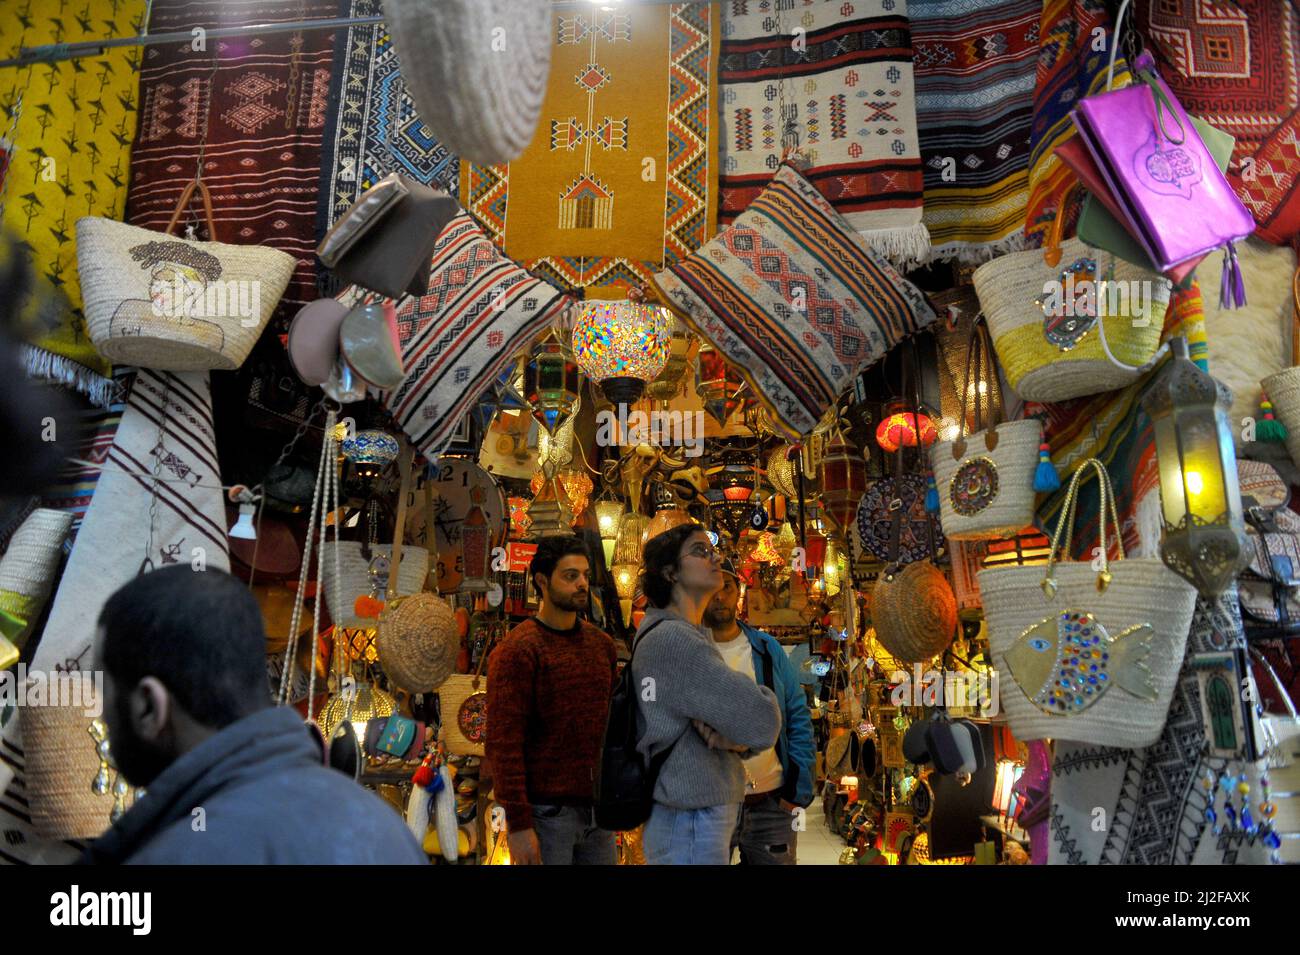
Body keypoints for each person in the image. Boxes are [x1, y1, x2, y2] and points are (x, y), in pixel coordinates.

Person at [82, 565, 427, 864]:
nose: (106, 722)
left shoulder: (180, 853)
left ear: (148, 705)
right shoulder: (382, 828)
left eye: (107, 698)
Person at [631, 524, 781, 865]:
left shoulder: (680, 633)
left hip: (688, 815)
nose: (715, 558)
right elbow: (763, 720)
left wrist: (736, 739)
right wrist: (748, 723)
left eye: (714, 551)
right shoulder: (676, 641)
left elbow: (746, 725)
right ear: (670, 572)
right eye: (700, 551)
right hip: (690, 818)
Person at [487, 537, 618, 865]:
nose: (582, 584)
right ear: (542, 581)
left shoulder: (601, 646)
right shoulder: (518, 651)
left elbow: (611, 727)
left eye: (585, 575)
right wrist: (518, 824)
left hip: (598, 811)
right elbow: (504, 744)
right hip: (546, 814)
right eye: (570, 576)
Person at [703, 561, 816, 864]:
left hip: (771, 804)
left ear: (737, 592)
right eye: (710, 587)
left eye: (726, 586)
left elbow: (797, 718)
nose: (719, 595)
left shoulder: (767, 649)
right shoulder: (691, 650)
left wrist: (797, 790)